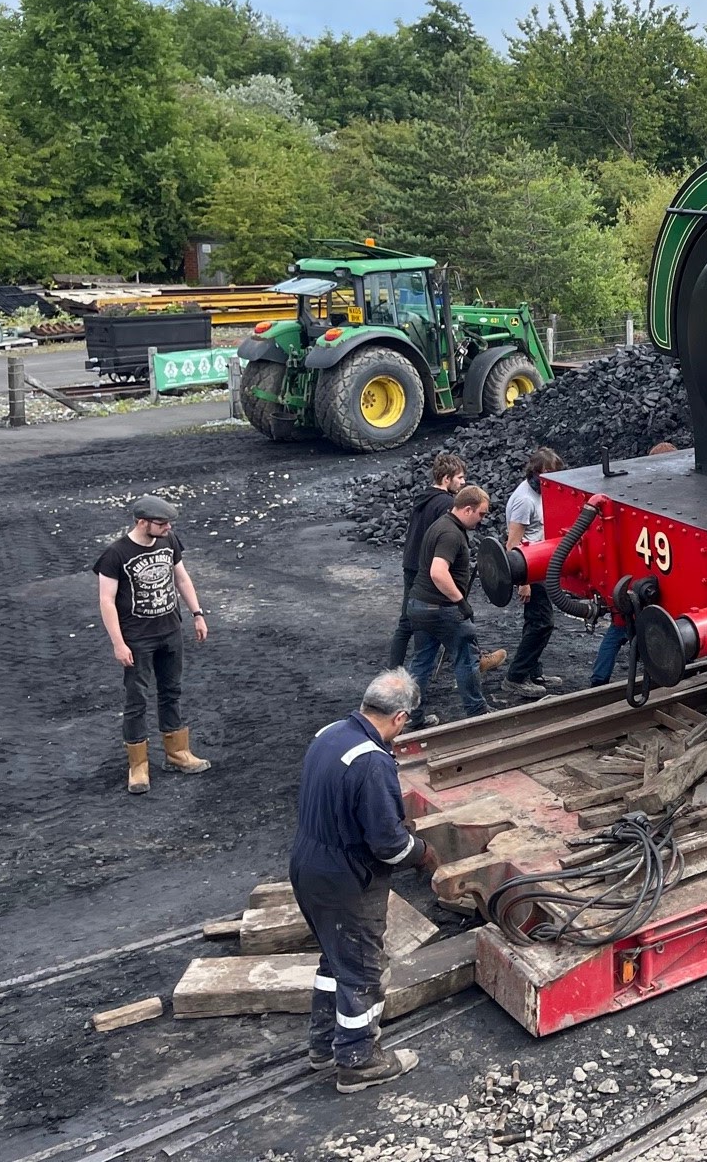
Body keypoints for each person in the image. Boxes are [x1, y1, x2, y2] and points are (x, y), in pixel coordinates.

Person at [290, 669, 429, 1092]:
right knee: (363, 969)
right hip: (346, 880)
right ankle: (357, 1060)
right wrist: (424, 854)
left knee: (335, 961)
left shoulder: (329, 733)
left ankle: (322, 1046)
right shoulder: (371, 761)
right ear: (400, 718)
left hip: (306, 865)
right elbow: (389, 844)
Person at [96, 494, 212, 795]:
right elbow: (106, 601)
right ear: (142, 522)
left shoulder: (169, 540)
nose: (168, 527)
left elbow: (182, 579)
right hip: (137, 639)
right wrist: (118, 644)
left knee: (172, 690)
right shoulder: (115, 555)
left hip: (170, 631)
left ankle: (177, 754)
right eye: (161, 523)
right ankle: (138, 766)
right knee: (136, 699)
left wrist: (197, 614)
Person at [589, 444, 680, 688]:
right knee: (635, 627)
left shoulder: (636, 494)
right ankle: (660, 672)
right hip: (650, 576)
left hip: (631, 577)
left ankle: (599, 679)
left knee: (619, 627)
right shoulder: (675, 497)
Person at [403, 486, 491, 720]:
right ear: (468, 509)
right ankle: (478, 713)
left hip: (419, 605)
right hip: (440, 609)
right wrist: (461, 602)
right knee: (466, 658)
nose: (482, 520)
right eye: (481, 514)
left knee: (421, 663)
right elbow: (438, 572)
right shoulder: (451, 534)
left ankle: (413, 718)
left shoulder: (441, 524)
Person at [387, 454, 466, 669]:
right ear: (447, 479)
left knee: (405, 622)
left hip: (410, 564)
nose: (463, 482)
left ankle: (393, 671)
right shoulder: (446, 503)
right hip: (427, 568)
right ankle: (464, 657)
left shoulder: (423, 498)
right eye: (459, 477)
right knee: (447, 613)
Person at [500, 448, 565, 701]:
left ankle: (533, 672)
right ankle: (515, 678)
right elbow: (512, 545)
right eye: (548, 474)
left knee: (535, 622)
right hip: (530, 568)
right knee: (542, 623)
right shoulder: (524, 500)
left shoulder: (539, 492)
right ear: (536, 473)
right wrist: (523, 582)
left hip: (541, 565)